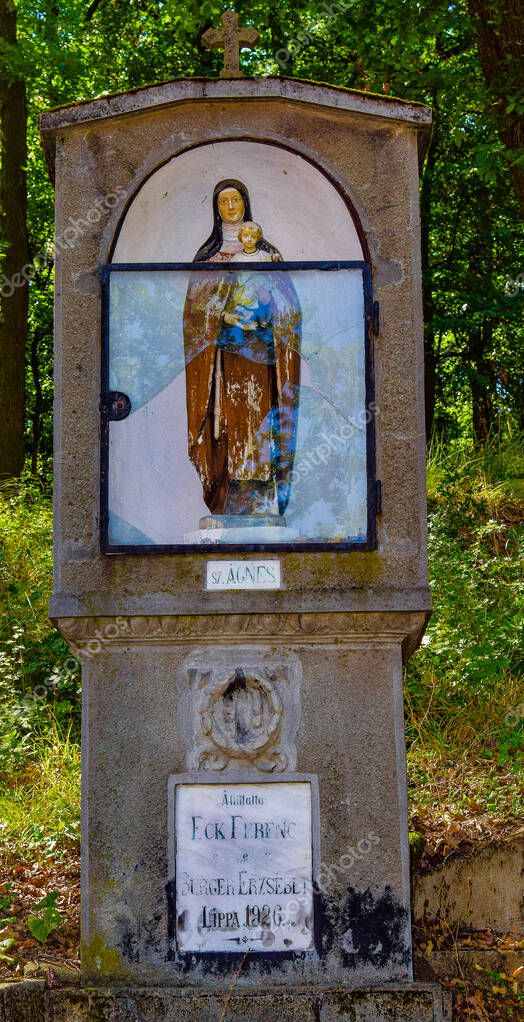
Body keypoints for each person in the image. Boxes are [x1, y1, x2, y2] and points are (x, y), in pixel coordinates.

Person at [183, 180, 301, 519]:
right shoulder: (208, 257)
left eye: (236, 200)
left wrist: (267, 315)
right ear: (216, 208)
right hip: (224, 358)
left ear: (245, 204)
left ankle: (261, 498)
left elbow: (288, 305)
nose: (231, 207)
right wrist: (222, 314)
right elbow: (194, 311)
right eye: (224, 202)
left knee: (260, 419)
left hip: (261, 356)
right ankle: (227, 496)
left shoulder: (268, 254)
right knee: (226, 423)